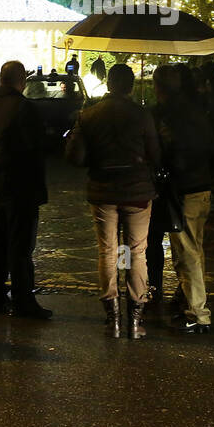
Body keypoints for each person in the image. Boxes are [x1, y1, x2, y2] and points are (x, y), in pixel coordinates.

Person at [65, 63, 160, 340]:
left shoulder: (89, 115)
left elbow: (76, 158)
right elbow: (156, 154)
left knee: (107, 251)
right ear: (130, 86)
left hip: (103, 190)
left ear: (108, 84)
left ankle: (112, 318)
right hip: (137, 192)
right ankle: (135, 317)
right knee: (137, 252)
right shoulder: (142, 115)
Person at [0, 60, 52, 319]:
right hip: (22, 185)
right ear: (22, 80)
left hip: (0, 183)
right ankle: (23, 298)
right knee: (21, 244)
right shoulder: (24, 109)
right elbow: (35, 149)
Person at [152, 64, 214, 333]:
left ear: (158, 88)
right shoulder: (197, 110)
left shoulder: (167, 115)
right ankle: (191, 302)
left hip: (183, 190)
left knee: (186, 252)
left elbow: (171, 153)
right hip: (202, 186)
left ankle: (198, 312)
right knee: (196, 249)